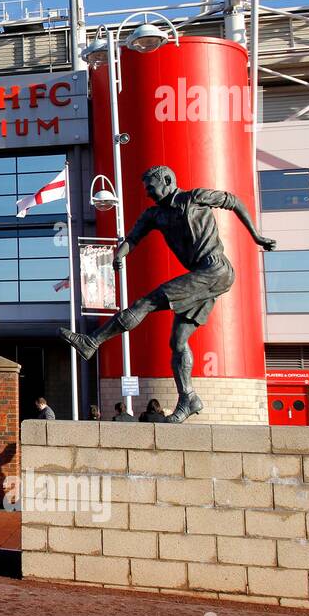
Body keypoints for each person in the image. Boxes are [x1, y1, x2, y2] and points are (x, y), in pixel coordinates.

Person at [60, 165, 276, 423]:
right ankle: (189, 398)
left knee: (146, 302)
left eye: (152, 187)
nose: (149, 193)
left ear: (167, 180)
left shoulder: (193, 197)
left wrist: (256, 236)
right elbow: (133, 237)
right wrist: (121, 253)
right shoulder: (154, 215)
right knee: (178, 342)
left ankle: (92, 341)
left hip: (215, 268)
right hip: (203, 274)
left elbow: (233, 201)